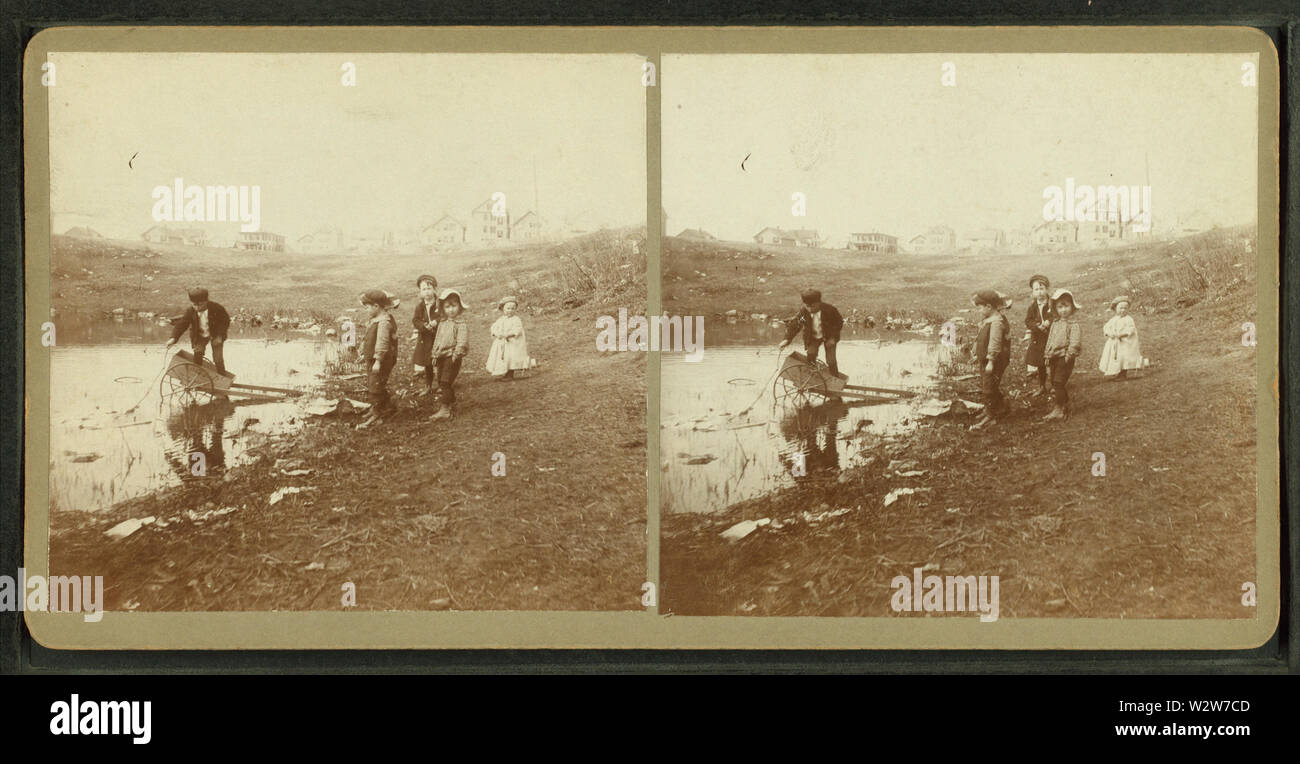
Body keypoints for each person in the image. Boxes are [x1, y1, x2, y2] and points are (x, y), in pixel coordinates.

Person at [969, 289, 1013, 431]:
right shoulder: (988, 319)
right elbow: (980, 338)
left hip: (995, 361)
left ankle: (991, 416)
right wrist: (976, 353)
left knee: (989, 387)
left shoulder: (996, 323)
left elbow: (994, 343)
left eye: (980, 308)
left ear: (988, 306)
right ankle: (999, 407)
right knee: (988, 385)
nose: (979, 311)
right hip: (986, 360)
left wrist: (991, 361)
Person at [356, 289, 400, 430]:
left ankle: (377, 414)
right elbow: (368, 338)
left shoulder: (384, 323)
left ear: (376, 306)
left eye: (367, 307)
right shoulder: (375, 319)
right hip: (373, 359)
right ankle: (386, 406)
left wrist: (378, 361)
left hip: (382, 360)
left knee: (375, 386)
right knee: (374, 383)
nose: (366, 310)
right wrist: (363, 354)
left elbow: (382, 343)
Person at [166, 287, 231, 376]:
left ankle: (222, 377)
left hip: (215, 335)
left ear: (206, 301)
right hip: (199, 336)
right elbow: (182, 325)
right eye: (194, 305)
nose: (197, 308)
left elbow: (225, 321)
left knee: (218, 358)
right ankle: (197, 376)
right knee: (198, 352)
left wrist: (220, 335)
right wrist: (173, 338)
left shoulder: (217, 308)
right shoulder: (190, 311)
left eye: (200, 305)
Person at [778, 289, 844, 377]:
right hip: (812, 337)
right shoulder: (803, 312)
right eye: (807, 306)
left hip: (829, 336)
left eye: (813, 306)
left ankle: (835, 379)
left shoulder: (830, 310)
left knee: (831, 360)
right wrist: (786, 339)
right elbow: (795, 325)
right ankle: (813, 376)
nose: (810, 309)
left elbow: (839, 322)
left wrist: (833, 338)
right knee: (811, 354)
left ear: (819, 303)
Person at [1042, 289, 1083, 421]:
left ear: (1072, 307)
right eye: (1060, 307)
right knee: (1054, 383)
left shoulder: (1073, 325)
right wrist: (1047, 355)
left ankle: (1059, 409)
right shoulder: (1055, 323)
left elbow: (1075, 342)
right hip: (1054, 357)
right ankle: (1065, 404)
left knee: (1058, 382)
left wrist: (1069, 355)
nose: (1063, 310)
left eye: (1066, 306)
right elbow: (1050, 340)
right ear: (1055, 309)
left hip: (1064, 357)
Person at [430, 289, 469, 421]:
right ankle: (451, 403)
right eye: (447, 307)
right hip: (441, 356)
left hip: (452, 357)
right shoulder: (443, 322)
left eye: (454, 306)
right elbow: (438, 339)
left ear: (459, 306)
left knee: (445, 382)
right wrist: (435, 354)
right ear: (443, 308)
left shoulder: (460, 324)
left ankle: (445, 409)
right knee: (441, 381)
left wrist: (456, 354)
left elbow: (462, 341)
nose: (451, 310)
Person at [1023, 274, 1055, 397]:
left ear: (1047, 289)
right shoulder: (1033, 307)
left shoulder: (1052, 304)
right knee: (1040, 363)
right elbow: (1028, 321)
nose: (1040, 292)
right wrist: (1037, 326)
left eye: (1042, 289)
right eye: (1036, 289)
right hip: (1038, 339)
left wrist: (1049, 321)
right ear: (1033, 292)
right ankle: (1042, 386)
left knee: (1053, 361)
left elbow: (1056, 315)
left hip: (1051, 336)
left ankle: (1055, 384)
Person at [485, 296, 530, 380]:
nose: (510, 311)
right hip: (502, 342)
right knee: (503, 357)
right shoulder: (501, 319)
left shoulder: (516, 319)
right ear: (503, 309)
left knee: (511, 358)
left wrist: (508, 335)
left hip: (512, 343)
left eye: (513, 308)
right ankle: (504, 372)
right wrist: (496, 333)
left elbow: (518, 330)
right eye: (508, 308)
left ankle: (510, 374)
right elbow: (494, 327)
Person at [1099, 295, 1143, 380]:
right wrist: (1109, 333)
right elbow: (1106, 327)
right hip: (1114, 342)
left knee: (1124, 358)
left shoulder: (1128, 319)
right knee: (1115, 357)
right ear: (1115, 309)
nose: (1123, 310)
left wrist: (1122, 334)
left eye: (1125, 308)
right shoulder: (1113, 319)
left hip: (1125, 342)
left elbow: (1131, 329)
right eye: (1121, 308)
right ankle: (1116, 372)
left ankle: (1123, 374)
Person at [411, 275, 441, 396]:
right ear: (420, 292)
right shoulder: (420, 306)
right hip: (426, 338)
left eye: (429, 288)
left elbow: (444, 315)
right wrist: (423, 326)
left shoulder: (440, 303)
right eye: (424, 289)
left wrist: (436, 322)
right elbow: (415, 320)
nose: (427, 292)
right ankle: (428, 385)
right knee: (427, 362)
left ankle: (442, 384)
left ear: (434, 289)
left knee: (440, 360)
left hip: (439, 337)